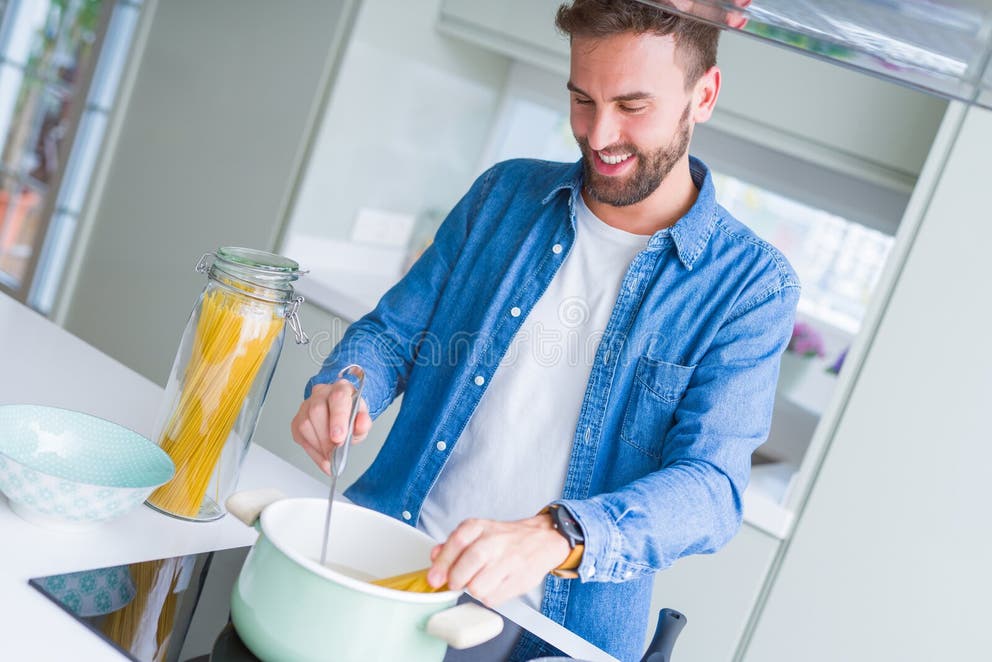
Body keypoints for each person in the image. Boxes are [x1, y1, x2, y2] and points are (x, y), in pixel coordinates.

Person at [291, 0, 798, 659]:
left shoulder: (750, 285)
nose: (598, 132)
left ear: (703, 95)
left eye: (632, 106)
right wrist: (348, 382)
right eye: (582, 99)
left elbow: (712, 487)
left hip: (551, 637)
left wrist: (560, 535)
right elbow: (393, 336)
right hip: (387, 568)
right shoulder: (504, 195)